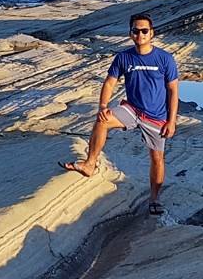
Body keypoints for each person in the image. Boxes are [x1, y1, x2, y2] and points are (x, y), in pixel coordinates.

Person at [60, 12, 179, 215]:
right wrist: (103, 106)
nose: (140, 34)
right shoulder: (123, 57)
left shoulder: (165, 59)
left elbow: (173, 90)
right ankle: (90, 164)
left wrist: (172, 120)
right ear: (130, 33)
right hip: (131, 110)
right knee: (102, 121)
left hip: (156, 117)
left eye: (144, 31)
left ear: (152, 33)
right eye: (136, 31)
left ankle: (155, 198)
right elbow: (110, 82)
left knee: (157, 158)